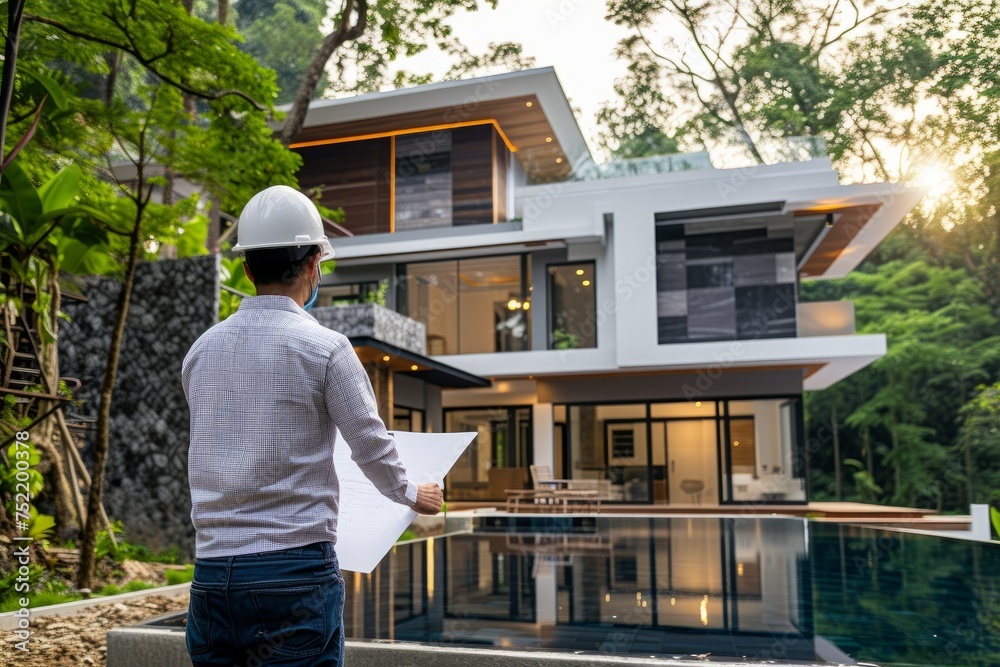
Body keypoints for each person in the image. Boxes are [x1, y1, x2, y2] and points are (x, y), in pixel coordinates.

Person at [181, 185, 442, 667]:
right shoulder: (326, 348)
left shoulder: (201, 350)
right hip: (293, 572)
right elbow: (369, 443)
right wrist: (412, 493)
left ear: (247, 268)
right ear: (313, 264)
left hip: (212, 577)